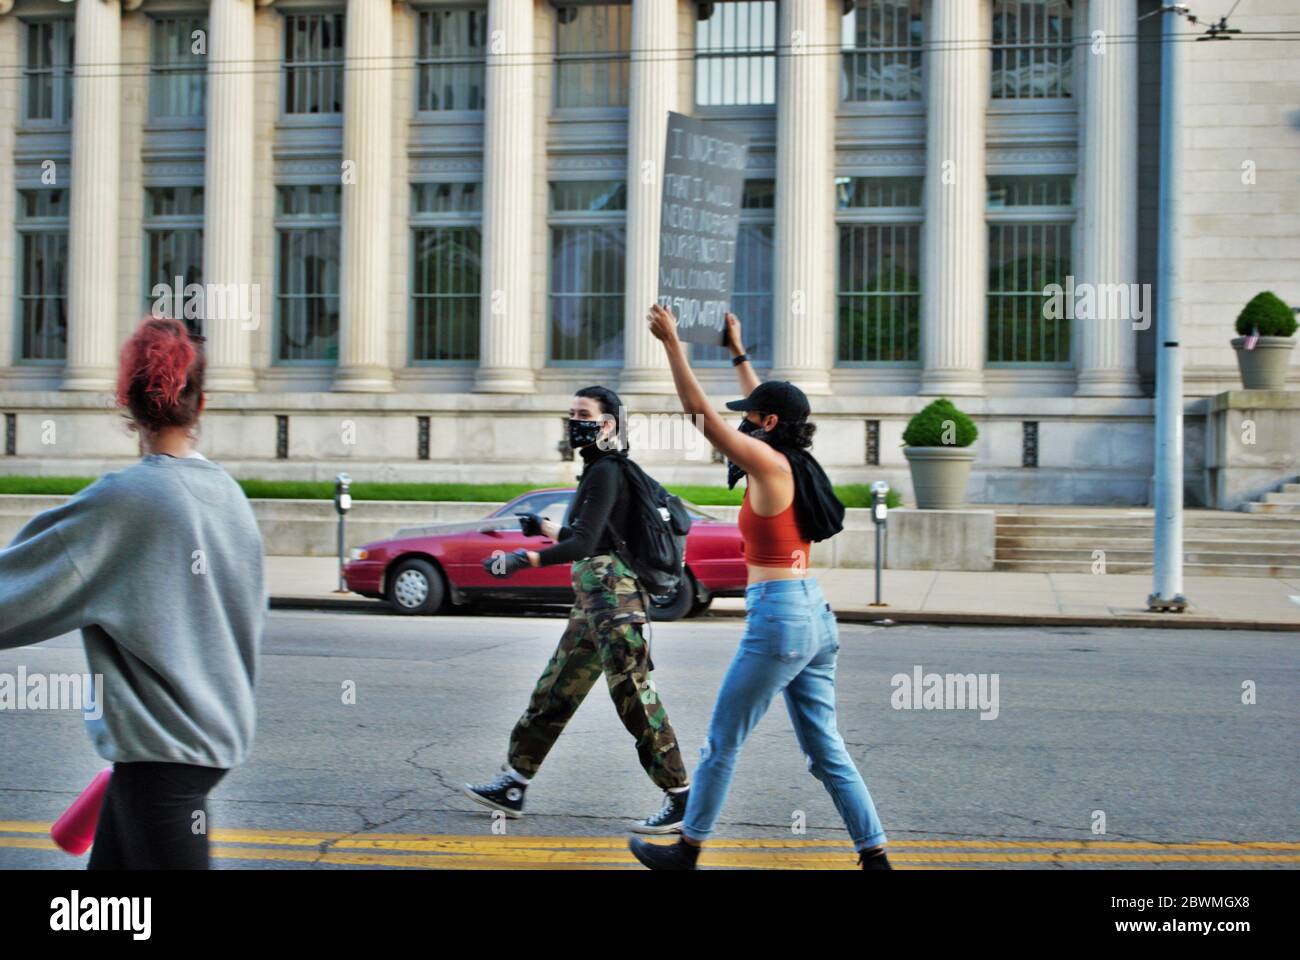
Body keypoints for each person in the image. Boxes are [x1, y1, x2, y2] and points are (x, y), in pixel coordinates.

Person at [628, 307, 892, 870]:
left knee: (723, 741)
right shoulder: (797, 459)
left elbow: (701, 416)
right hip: (814, 616)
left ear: (769, 424)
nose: (744, 421)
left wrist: (673, 345)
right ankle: (876, 859)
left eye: (753, 416)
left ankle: (688, 851)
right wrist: (736, 352)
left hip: (779, 621)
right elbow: (766, 402)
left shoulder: (770, 466)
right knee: (827, 751)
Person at [0, 317, 265, 869]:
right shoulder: (229, 496)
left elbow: (15, 594)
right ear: (203, 404)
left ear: (127, 404)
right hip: (202, 745)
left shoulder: (124, 501)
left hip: (163, 760)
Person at [464, 386, 692, 833]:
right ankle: (514, 782)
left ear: (606, 425)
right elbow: (588, 534)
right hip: (594, 601)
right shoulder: (596, 471)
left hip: (615, 599)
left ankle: (681, 795)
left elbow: (584, 545)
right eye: (570, 412)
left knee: (632, 694)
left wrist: (522, 560)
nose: (573, 421)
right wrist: (545, 528)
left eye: (583, 413)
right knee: (556, 688)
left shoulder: (607, 469)